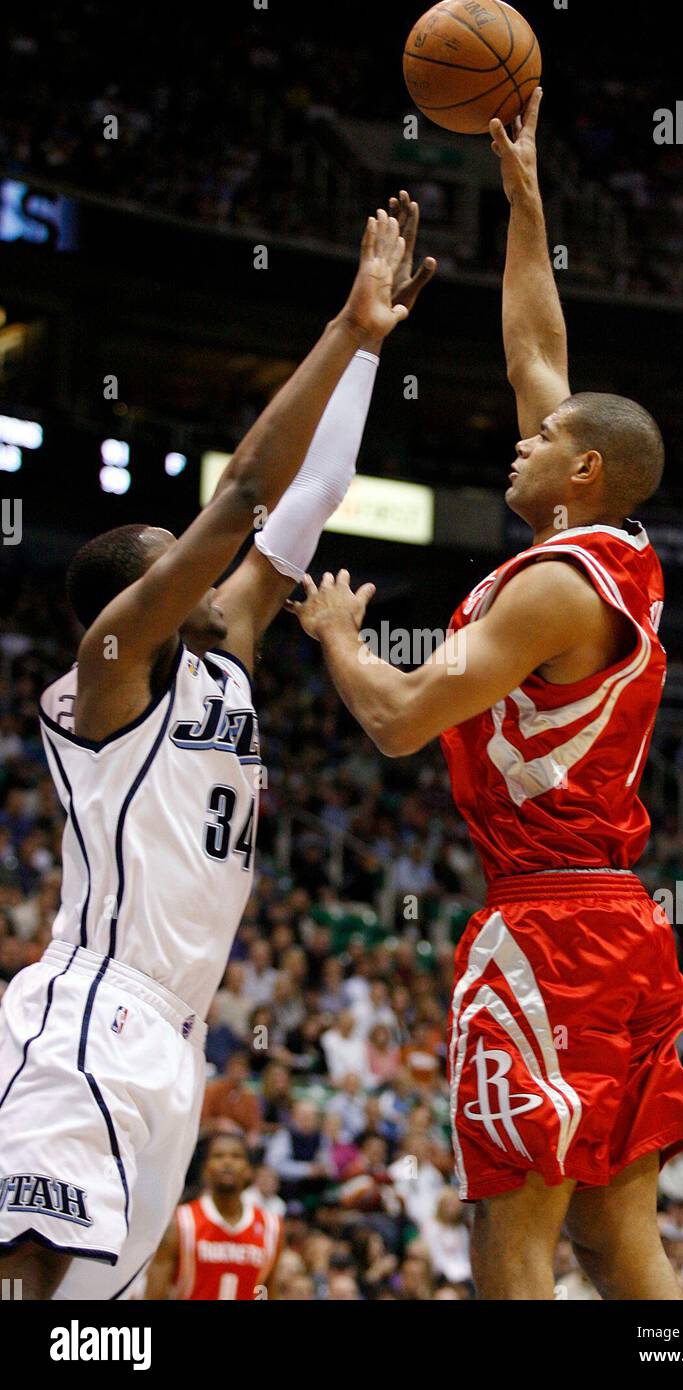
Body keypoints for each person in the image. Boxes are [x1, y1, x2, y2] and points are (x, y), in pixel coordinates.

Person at [288, 90, 683, 1300]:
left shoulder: (550, 589)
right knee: (617, 1245)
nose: (517, 439)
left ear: (583, 468)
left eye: (541, 439)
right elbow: (535, 350)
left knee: (509, 1242)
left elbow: (396, 721)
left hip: (548, 927)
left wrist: (337, 640)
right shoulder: (611, 558)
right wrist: (524, 197)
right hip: (620, 925)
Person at [0, 199, 435, 1300]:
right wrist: (342, 326)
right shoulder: (107, 673)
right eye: (175, 559)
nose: (206, 567)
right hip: (89, 1011)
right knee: (33, 1275)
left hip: (176, 1038)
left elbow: (314, 492)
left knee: (100, 1314)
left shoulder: (224, 651)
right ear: (134, 597)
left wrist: (372, 351)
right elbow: (244, 493)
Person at [145, 1134, 282, 1300]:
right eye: (218, 1156)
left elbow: (269, 1292)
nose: (227, 1162)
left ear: (249, 1170)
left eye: (236, 1156)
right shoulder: (180, 1222)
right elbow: (154, 1295)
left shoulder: (271, 1227)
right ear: (205, 1169)